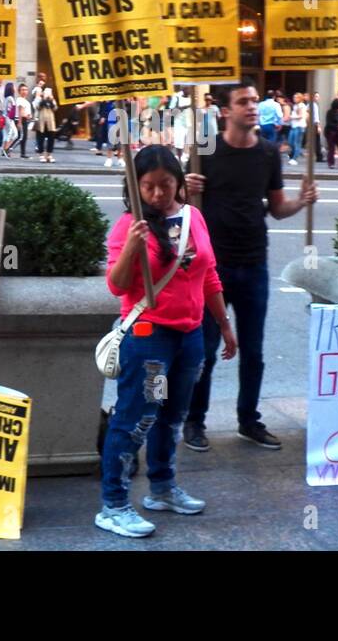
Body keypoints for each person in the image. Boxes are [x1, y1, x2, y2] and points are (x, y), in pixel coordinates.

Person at [98, 146, 236, 538]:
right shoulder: (129, 225)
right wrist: (132, 249)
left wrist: (224, 325)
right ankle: (114, 504)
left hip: (190, 335)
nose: (157, 194)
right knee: (136, 418)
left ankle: (162, 488)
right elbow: (116, 285)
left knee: (171, 417)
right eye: (148, 187)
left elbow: (209, 276)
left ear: (179, 183)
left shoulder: (194, 217)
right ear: (135, 187)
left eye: (165, 185)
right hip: (148, 337)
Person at [183, 80, 318, 452]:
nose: (252, 106)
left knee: (254, 351)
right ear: (225, 111)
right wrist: (185, 186)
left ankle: (248, 420)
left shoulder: (268, 152)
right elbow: (175, 202)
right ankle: (194, 421)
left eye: (255, 100)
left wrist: (301, 202)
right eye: (244, 101)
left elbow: (277, 208)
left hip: (254, 262)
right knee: (206, 349)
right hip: (212, 267)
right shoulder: (204, 150)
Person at [34, 87, 59, 164]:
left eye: (49, 92)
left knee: (51, 139)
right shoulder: (39, 99)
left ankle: (49, 155)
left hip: (50, 123)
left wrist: (51, 101)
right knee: (40, 138)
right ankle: (41, 155)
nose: (48, 94)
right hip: (41, 122)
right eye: (47, 92)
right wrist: (43, 100)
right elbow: (37, 107)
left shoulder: (52, 100)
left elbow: (55, 108)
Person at [287, 92, 307, 165]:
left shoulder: (301, 106)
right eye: (294, 97)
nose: (294, 99)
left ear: (300, 98)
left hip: (299, 126)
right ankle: (293, 155)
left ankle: (294, 158)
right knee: (290, 142)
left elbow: (300, 116)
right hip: (294, 126)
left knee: (297, 143)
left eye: (296, 97)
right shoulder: (295, 106)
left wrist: (291, 117)